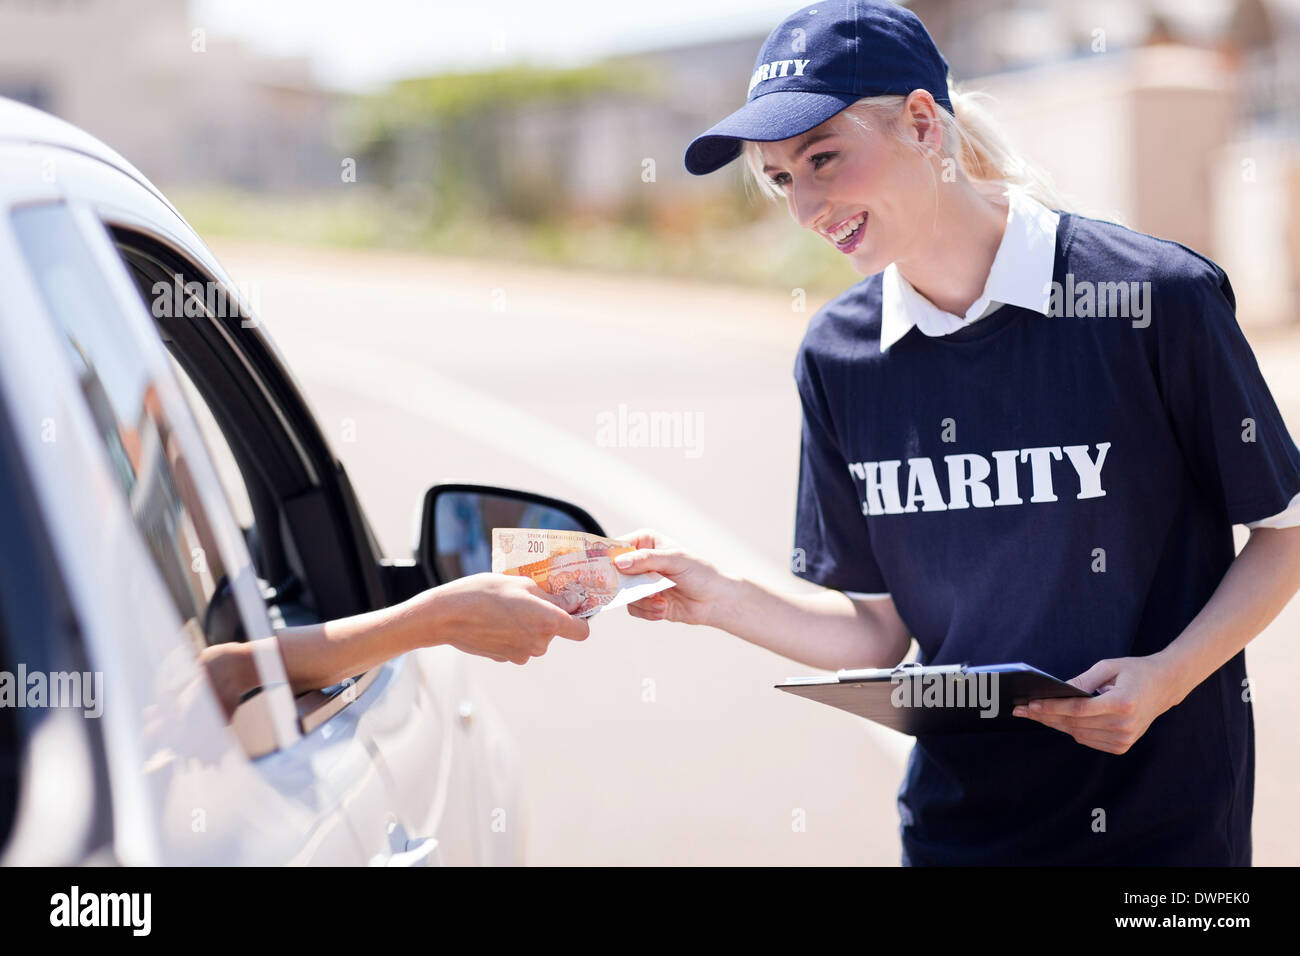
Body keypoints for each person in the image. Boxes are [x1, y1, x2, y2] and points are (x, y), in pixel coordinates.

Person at [614, 0, 1300, 865]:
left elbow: (1286, 532)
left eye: (824, 157)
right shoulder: (839, 356)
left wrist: (1167, 678)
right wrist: (717, 598)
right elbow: (875, 633)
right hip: (959, 829)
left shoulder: (1153, 297)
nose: (807, 206)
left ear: (922, 123)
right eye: (783, 178)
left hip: (1166, 828)